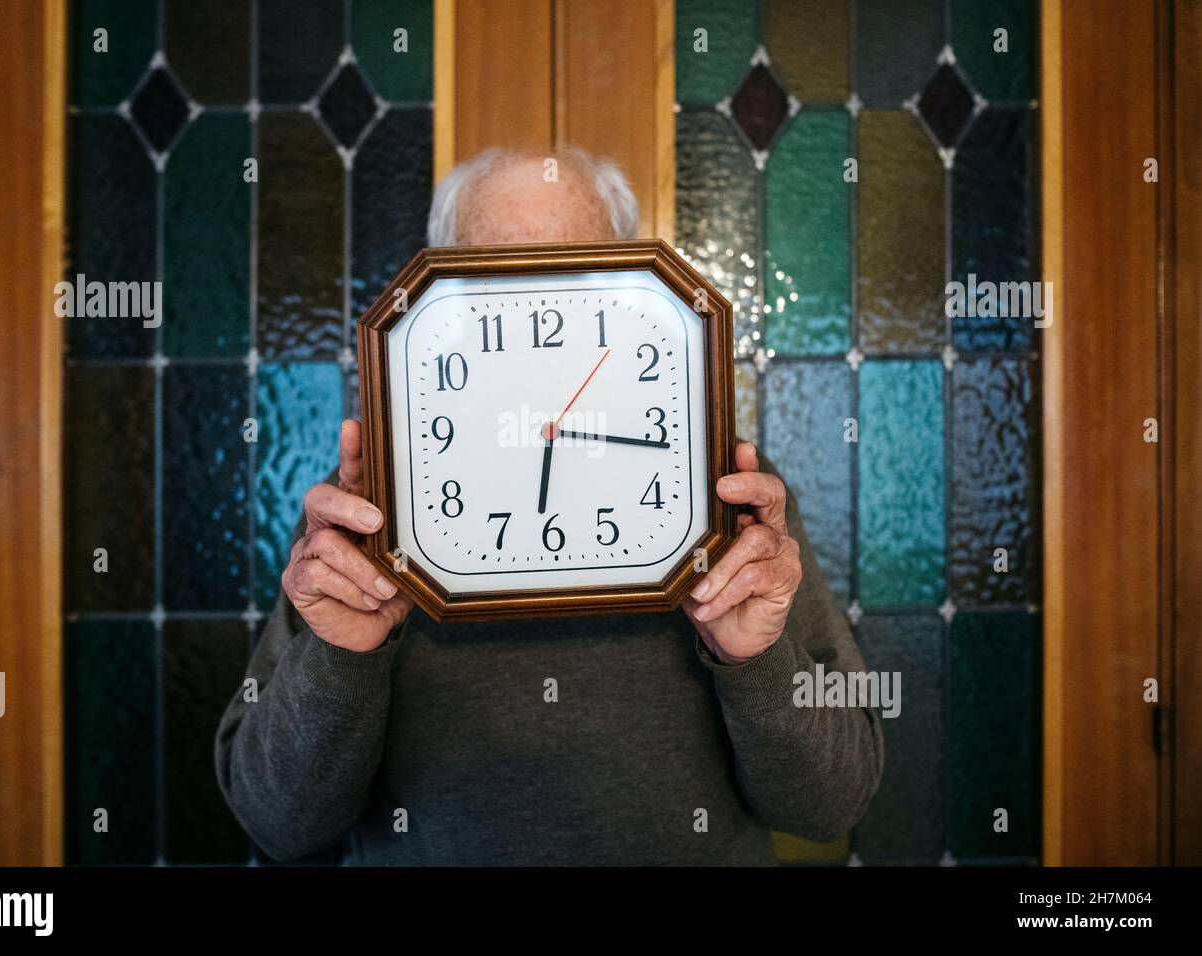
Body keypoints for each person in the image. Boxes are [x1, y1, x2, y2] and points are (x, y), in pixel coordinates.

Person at [215, 146, 883, 865]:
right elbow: (277, 822)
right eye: (496, 282)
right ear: (443, 308)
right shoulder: (369, 510)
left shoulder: (727, 494)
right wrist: (343, 656)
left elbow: (831, 804)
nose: (538, 321)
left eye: (571, 280)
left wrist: (753, 659)